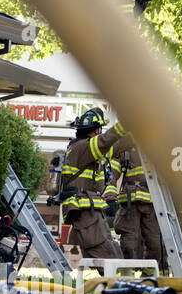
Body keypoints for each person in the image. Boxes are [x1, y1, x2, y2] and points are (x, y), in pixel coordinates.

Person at [60, 107, 126, 260]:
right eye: (98, 129)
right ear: (94, 131)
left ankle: (66, 277)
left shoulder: (83, 149)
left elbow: (117, 145)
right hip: (84, 209)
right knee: (108, 252)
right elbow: (104, 141)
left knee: (76, 254)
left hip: (85, 209)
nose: (100, 133)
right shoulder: (83, 147)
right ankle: (118, 283)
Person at [104, 138, 164, 267]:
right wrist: (110, 196)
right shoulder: (123, 143)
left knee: (155, 245)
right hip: (129, 203)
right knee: (128, 244)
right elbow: (110, 175)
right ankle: (126, 275)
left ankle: (147, 277)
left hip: (152, 203)